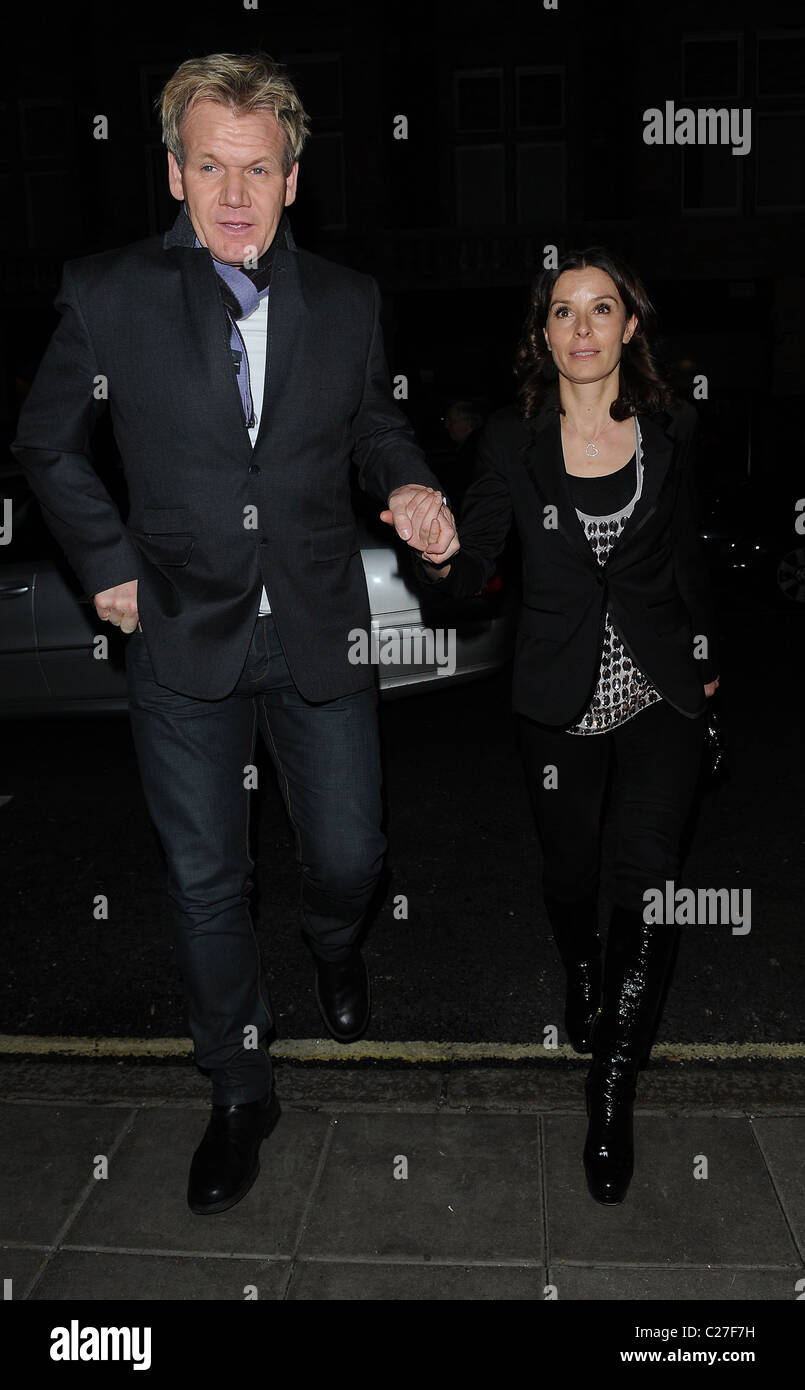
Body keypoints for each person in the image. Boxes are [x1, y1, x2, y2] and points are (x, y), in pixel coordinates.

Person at [12, 51, 456, 1216]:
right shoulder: (105, 293)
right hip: (180, 638)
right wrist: (108, 570)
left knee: (352, 853)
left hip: (317, 629)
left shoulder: (348, 302)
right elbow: (47, 444)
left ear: (293, 179)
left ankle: (331, 939)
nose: (234, 192)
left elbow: (375, 426)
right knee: (208, 880)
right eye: (209, 165)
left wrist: (408, 488)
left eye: (257, 168)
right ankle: (239, 1084)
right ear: (173, 169)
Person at [412, 248, 720, 1205]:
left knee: (649, 884)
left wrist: (708, 668)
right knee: (570, 873)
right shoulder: (510, 440)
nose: (581, 328)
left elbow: (687, 557)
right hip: (557, 699)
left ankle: (610, 1086)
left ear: (631, 326)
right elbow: (473, 573)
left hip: (661, 692)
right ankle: (580, 970)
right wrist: (437, 554)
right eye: (561, 311)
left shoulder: (674, 429)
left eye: (601, 309)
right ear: (542, 335)